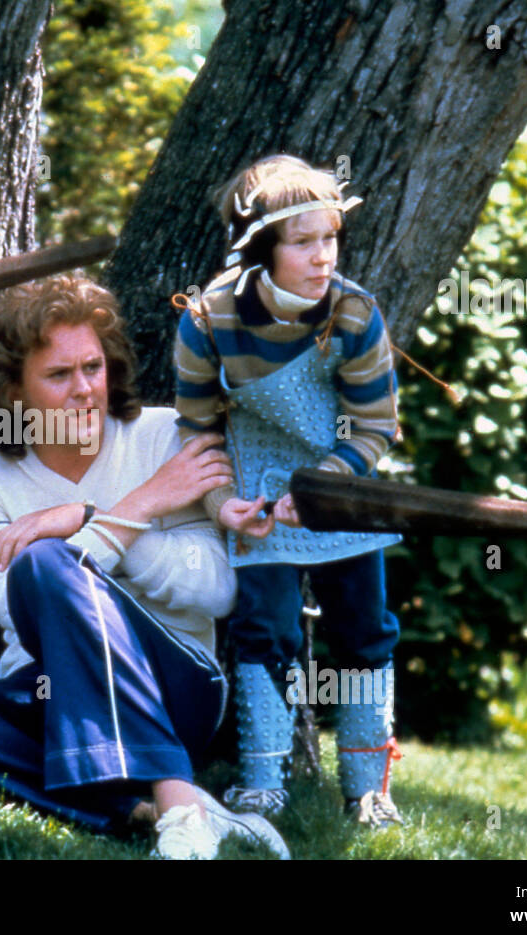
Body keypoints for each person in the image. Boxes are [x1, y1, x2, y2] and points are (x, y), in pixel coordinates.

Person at [0, 274, 289, 859]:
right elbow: (6, 603)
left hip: (177, 689)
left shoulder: (167, 438)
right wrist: (136, 509)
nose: (84, 389)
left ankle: (169, 789)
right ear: (13, 392)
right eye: (59, 375)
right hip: (48, 696)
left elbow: (216, 591)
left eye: (93, 367)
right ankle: (149, 808)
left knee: (45, 559)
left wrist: (83, 518)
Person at [173, 155, 405, 827]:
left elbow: (375, 425)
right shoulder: (209, 321)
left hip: (342, 489)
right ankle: (261, 785)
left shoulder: (355, 315)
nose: (323, 255)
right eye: (303, 241)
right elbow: (198, 429)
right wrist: (221, 505)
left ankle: (368, 788)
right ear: (262, 247)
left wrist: (329, 483)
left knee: (364, 633)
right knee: (263, 631)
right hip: (257, 494)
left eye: (330, 237)